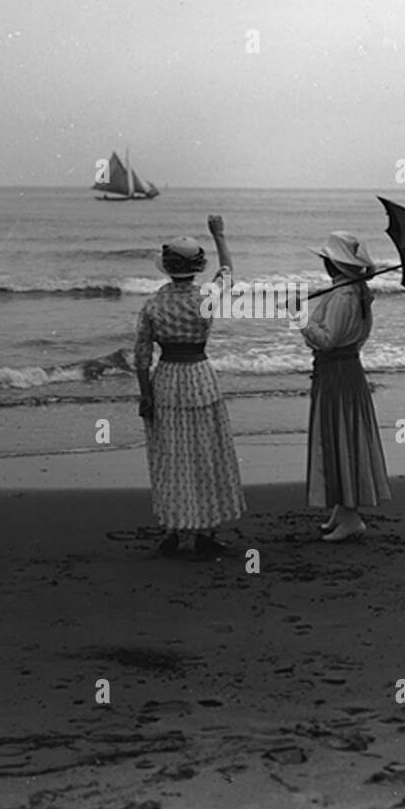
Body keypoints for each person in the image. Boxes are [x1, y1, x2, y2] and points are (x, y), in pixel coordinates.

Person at [135, 217, 246, 559]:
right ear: (197, 268)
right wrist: (219, 234)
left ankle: (174, 528)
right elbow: (227, 270)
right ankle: (204, 533)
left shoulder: (152, 304)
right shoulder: (206, 296)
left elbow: (141, 357)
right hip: (199, 377)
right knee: (204, 455)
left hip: (167, 378)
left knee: (171, 457)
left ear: (167, 269)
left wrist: (145, 393)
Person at [299, 231, 391, 541]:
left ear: (333, 265)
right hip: (345, 369)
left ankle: (351, 517)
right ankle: (342, 510)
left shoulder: (343, 296)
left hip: (337, 371)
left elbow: (328, 339)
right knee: (341, 435)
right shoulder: (356, 293)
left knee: (339, 437)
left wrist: (301, 321)